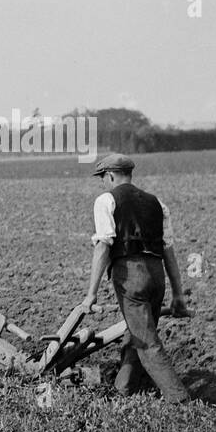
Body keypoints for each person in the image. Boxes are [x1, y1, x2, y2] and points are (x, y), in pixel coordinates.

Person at [81, 153, 190, 402]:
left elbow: (103, 246)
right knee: (137, 334)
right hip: (157, 275)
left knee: (146, 343)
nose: (102, 183)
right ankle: (124, 389)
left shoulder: (106, 200)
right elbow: (168, 251)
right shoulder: (156, 203)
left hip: (131, 277)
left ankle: (180, 399)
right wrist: (178, 296)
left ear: (109, 176)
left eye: (102, 178)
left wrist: (91, 295)